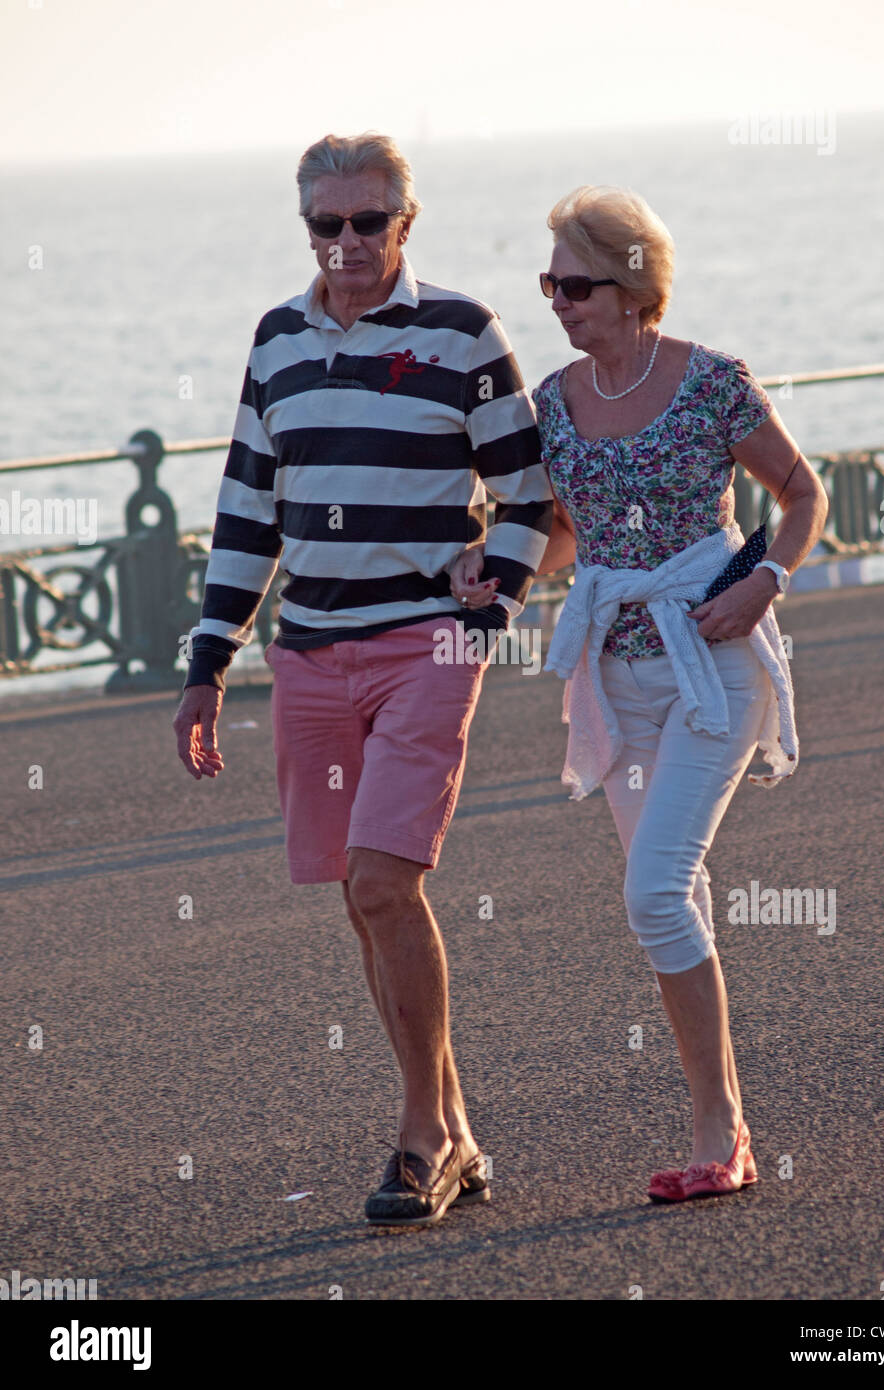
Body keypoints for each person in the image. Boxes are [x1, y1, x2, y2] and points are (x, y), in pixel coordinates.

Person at [172, 132, 553, 1228]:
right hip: (307, 653)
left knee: (386, 882)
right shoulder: (278, 339)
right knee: (361, 893)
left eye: (366, 222)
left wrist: (497, 602)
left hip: (429, 644)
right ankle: (459, 1130)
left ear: (404, 222)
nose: (346, 243)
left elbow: (526, 494)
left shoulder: (462, 332)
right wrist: (209, 664)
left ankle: (422, 1136)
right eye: (325, 225)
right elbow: (248, 508)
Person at [451, 184, 828, 1203]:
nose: (559, 304)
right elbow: (571, 531)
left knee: (654, 890)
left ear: (629, 285)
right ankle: (733, 1129)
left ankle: (717, 1128)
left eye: (575, 285)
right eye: (549, 285)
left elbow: (803, 494)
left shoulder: (710, 382)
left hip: (716, 667)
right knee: (679, 893)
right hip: (612, 681)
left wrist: (764, 581)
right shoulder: (553, 408)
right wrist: (499, 569)